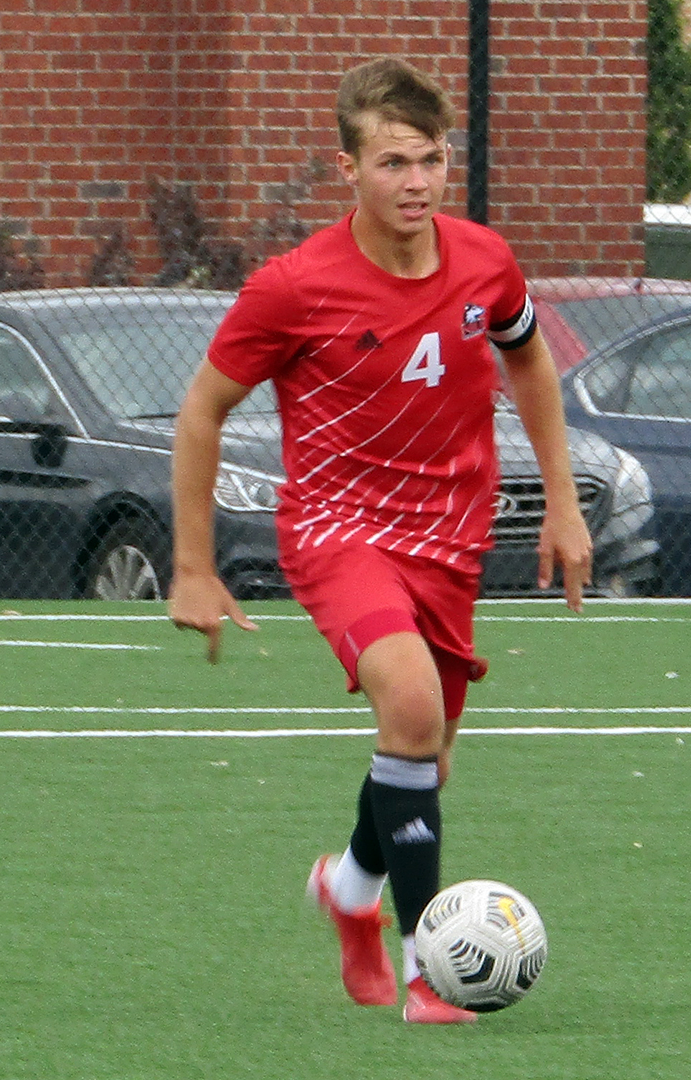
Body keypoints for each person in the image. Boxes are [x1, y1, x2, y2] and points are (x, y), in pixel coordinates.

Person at [168, 58, 592, 1023]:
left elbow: (528, 362)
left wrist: (562, 504)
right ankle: (429, 970)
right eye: (393, 162)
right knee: (407, 706)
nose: (416, 182)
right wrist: (192, 567)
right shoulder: (294, 287)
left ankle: (352, 891)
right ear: (347, 169)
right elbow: (203, 413)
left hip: (451, 535)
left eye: (432, 161)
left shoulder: (486, 261)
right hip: (338, 529)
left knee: (424, 755)